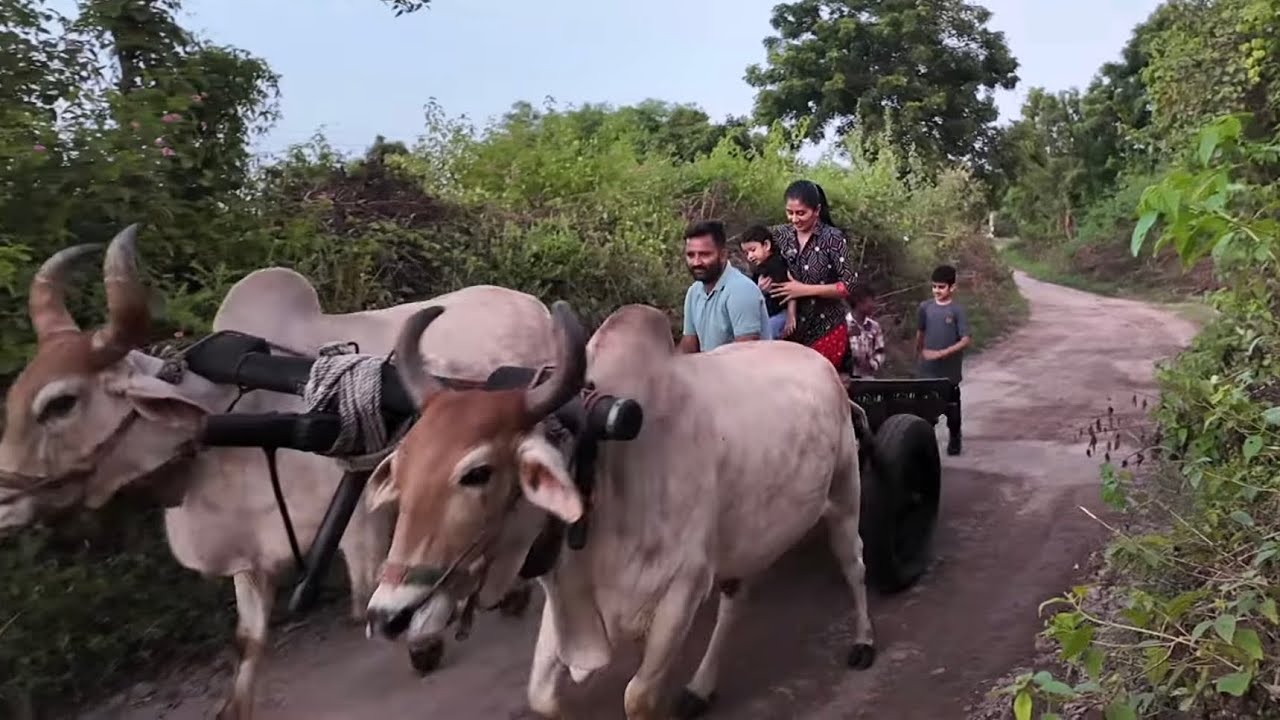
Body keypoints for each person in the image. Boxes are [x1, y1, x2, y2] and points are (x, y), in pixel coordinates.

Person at [761, 180, 859, 369]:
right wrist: (761, 282)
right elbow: (755, 255)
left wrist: (804, 290)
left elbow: (849, 285)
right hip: (787, 331)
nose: (794, 219)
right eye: (790, 213)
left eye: (801, 213)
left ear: (817, 210)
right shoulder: (779, 235)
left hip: (826, 330)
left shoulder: (833, 238)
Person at [679, 219, 773, 354]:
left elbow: (746, 353)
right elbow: (689, 344)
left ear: (723, 255)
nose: (696, 262)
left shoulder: (741, 291)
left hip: (745, 373)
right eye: (690, 255)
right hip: (709, 371)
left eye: (705, 254)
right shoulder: (694, 292)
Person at [915, 264, 970, 456]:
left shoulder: (957, 311)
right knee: (925, 411)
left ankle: (955, 438)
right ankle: (926, 446)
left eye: (941, 287)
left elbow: (965, 339)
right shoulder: (925, 307)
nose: (937, 291)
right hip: (927, 370)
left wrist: (943, 353)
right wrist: (918, 352)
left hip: (949, 373)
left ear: (952, 287)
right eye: (934, 287)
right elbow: (920, 332)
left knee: (952, 410)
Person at [740, 224, 797, 340]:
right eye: (746, 253)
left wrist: (791, 315)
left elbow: (791, 291)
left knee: (766, 335)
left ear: (766, 245)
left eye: (753, 250)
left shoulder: (776, 265)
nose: (750, 256)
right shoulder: (759, 268)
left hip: (780, 313)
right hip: (769, 314)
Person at [846, 285, 885, 377]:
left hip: (867, 377)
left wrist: (872, 364)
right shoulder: (843, 325)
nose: (873, 305)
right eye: (871, 301)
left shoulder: (874, 327)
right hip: (846, 378)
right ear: (859, 302)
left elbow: (880, 351)